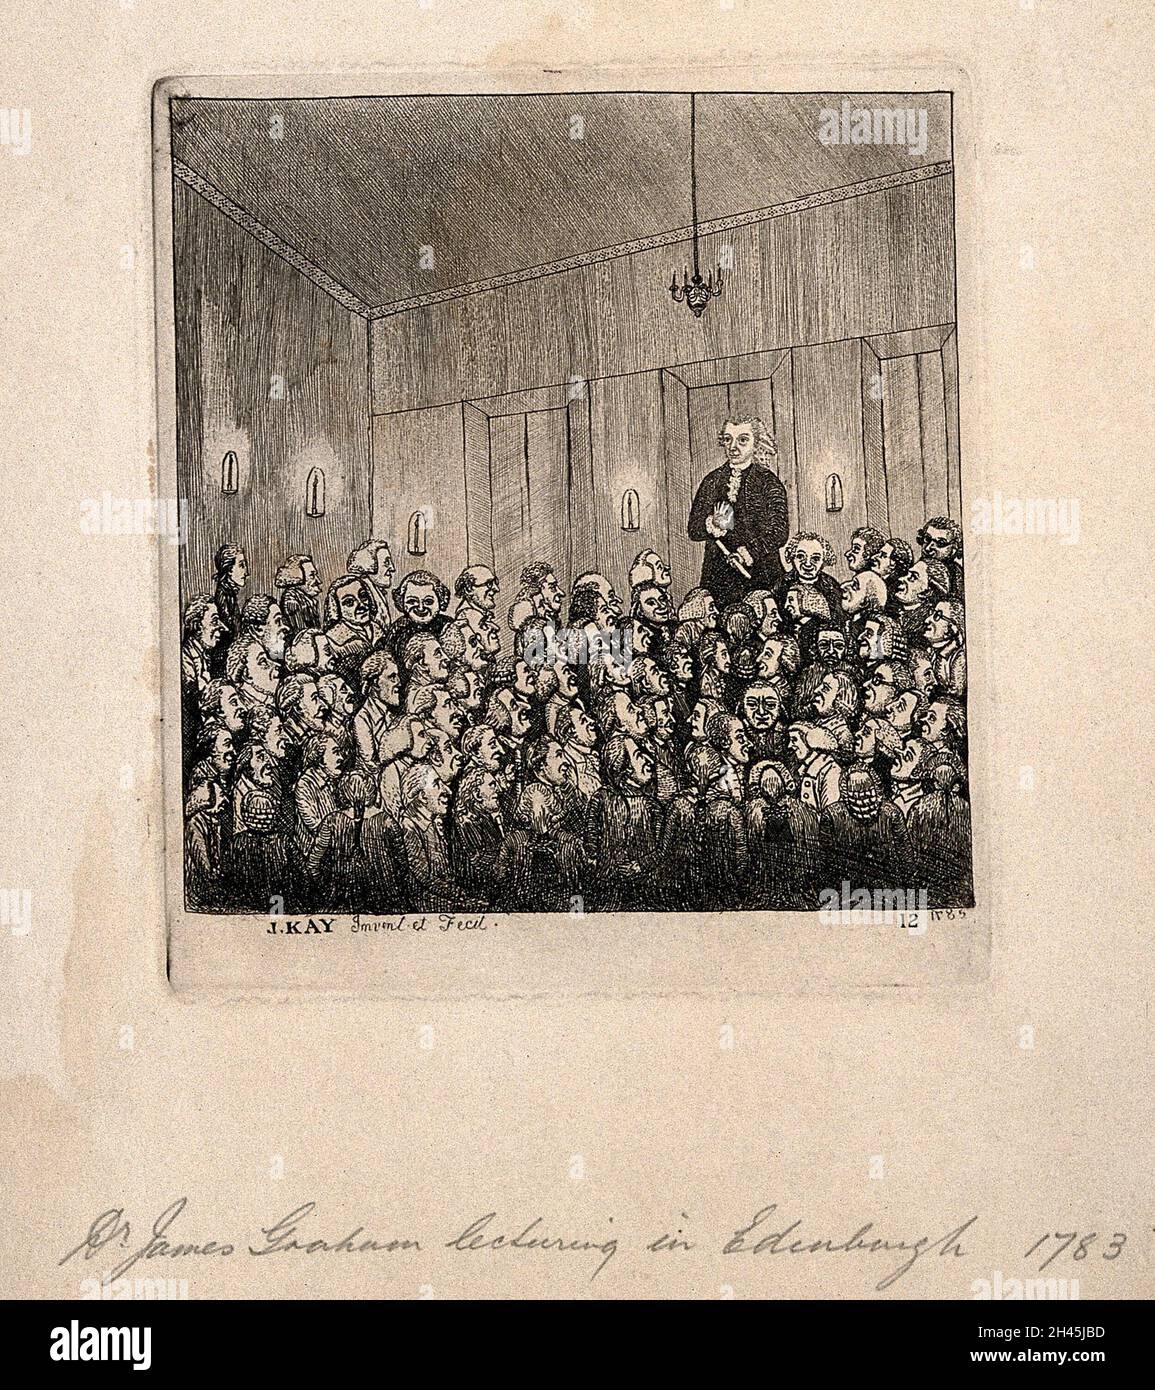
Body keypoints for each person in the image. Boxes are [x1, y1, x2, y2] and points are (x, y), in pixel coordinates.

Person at [688, 415, 789, 608]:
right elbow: (693, 529)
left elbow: (779, 532)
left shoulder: (768, 482)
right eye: (728, 439)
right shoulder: (712, 481)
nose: (733, 447)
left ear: (756, 443)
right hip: (719, 578)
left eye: (743, 440)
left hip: (762, 575)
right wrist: (712, 523)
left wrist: (748, 552)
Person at [275, 553, 322, 636]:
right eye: (312, 575)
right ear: (298, 577)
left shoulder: (306, 601)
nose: (318, 581)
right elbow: (302, 638)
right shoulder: (292, 601)